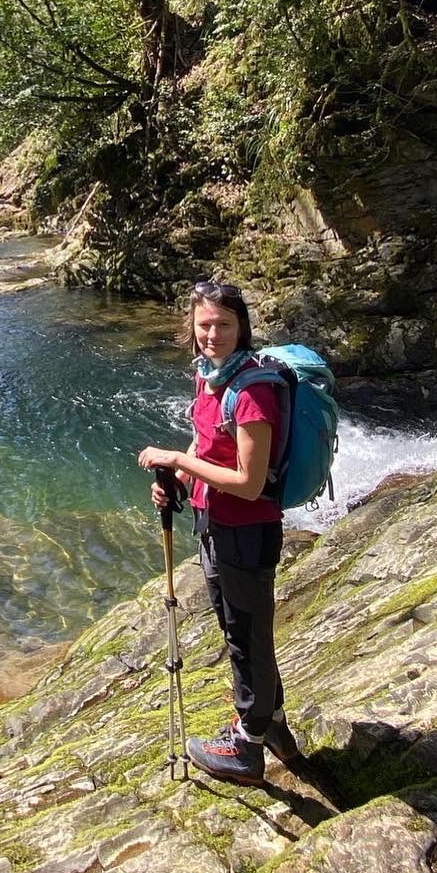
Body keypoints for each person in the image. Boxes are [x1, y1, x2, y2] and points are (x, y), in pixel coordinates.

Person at [137, 280, 300, 784]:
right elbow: (207, 442)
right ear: (192, 326)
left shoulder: (250, 393)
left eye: (224, 325)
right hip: (214, 524)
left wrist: (177, 459)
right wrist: (180, 480)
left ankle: (248, 748)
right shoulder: (211, 378)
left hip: (246, 531)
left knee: (247, 637)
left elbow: (250, 485)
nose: (213, 334)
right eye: (205, 324)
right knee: (239, 629)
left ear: (242, 328)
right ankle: (272, 724)